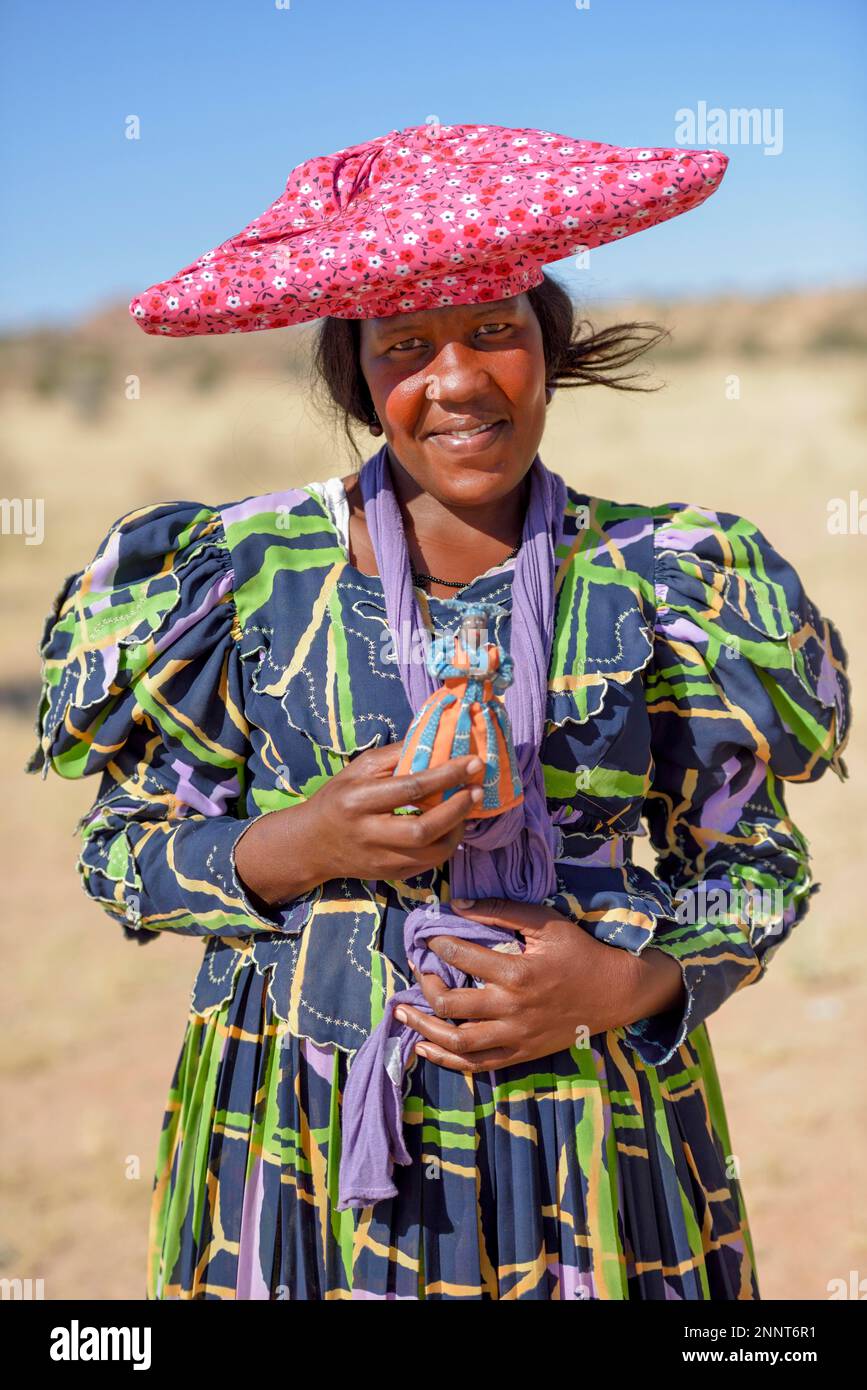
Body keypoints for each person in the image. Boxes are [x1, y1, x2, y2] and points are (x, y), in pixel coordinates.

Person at [26, 123, 851, 1299]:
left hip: (593, 1152)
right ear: (354, 375)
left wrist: (625, 987)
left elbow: (758, 872)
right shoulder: (240, 576)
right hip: (304, 1147)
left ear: (548, 344)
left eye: (495, 329)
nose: (457, 379)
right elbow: (121, 856)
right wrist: (306, 841)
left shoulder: (664, 578)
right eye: (405, 344)